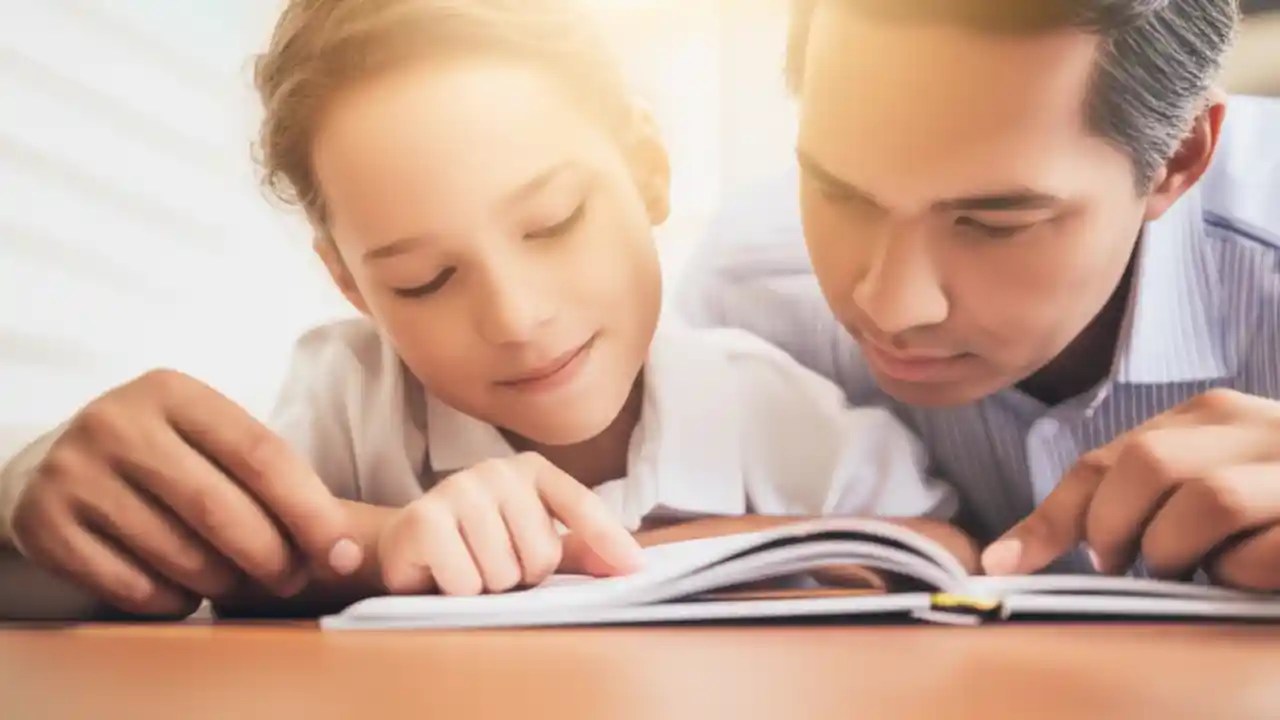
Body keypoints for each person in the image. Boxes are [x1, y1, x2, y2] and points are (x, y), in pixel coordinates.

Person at [0, 0, 962, 620]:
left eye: (551, 223)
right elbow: (195, 562)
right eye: (422, 281)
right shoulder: (344, 397)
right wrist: (384, 545)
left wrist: (558, 559)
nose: (514, 316)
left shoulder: (778, 411)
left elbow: (951, 556)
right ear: (350, 286)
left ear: (649, 173)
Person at [681, 0, 1280, 589]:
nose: (891, 307)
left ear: (1179, 156)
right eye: (843, 196)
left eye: (995, 225)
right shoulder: (750, 297)